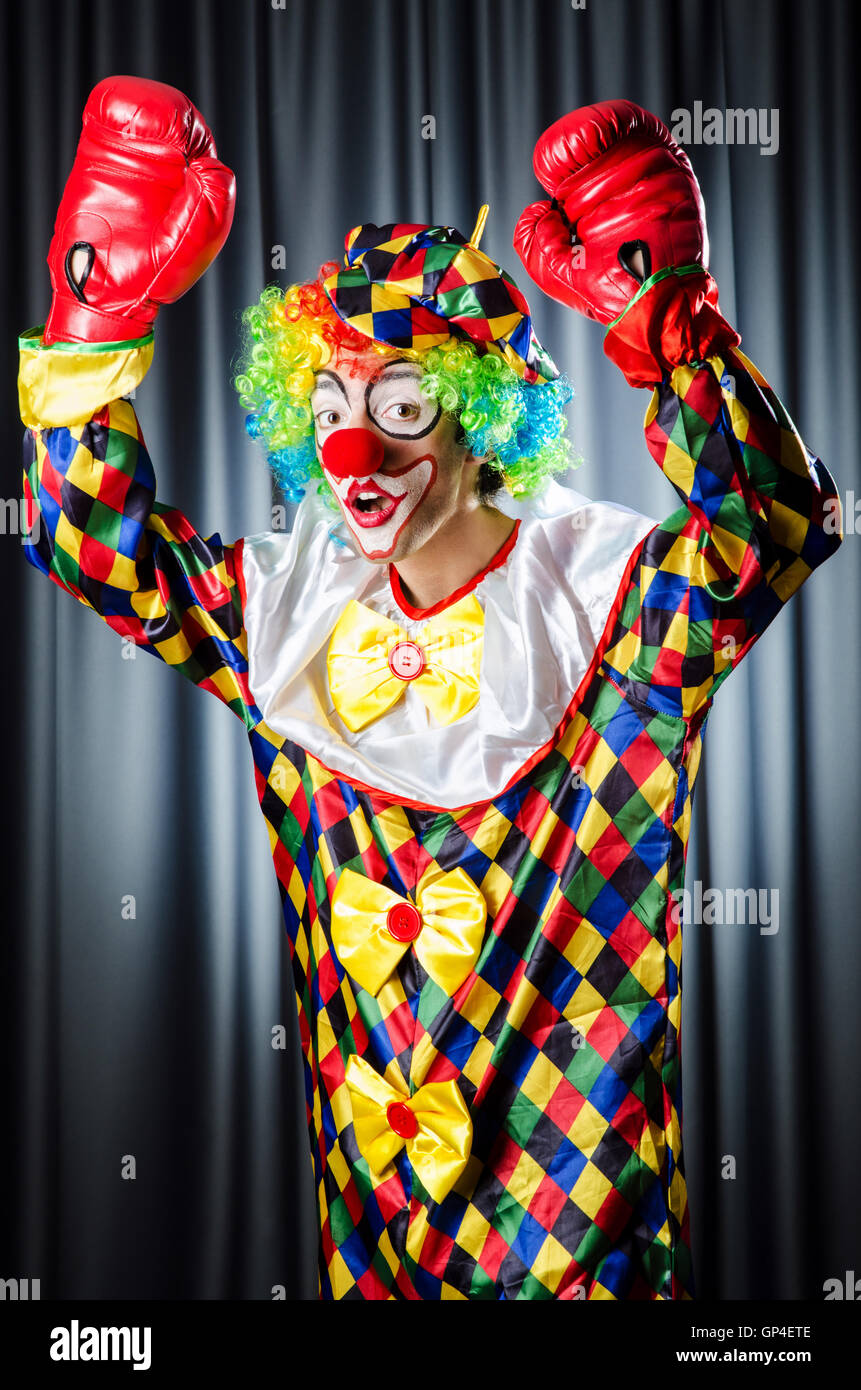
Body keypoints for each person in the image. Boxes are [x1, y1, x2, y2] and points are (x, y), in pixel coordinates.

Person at [18, 78, 841, 1301]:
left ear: (483, 422)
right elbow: (95, 548)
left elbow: (772, 526)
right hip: (371, 1246)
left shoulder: (607, 611)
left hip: (581, 1249)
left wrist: (672, 324)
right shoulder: (288, 618)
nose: (358, 452)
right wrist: (92, 316)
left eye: (403, 408)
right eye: (335, 408)